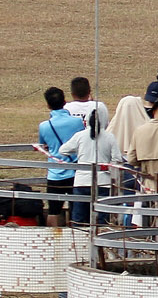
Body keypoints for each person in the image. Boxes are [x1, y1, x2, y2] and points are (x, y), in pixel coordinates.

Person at [59, 110, 122, 225]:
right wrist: (108, 167)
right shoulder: (110, 137)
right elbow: (117, 159)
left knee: (78, 218)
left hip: (82, 182)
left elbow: (63, 150)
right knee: (102, 219)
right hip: (103, 183)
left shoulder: (79, 136)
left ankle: (78, 235)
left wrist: (77, 153)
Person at [36, 86, 84, 224]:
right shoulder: (77, 122)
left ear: (48, 105)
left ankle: (52, 235)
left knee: (53, 211)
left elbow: (43, 144)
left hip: (55, 173)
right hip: (75, 172)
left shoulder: (44, 126)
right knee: (77, 210)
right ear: (64, 102)